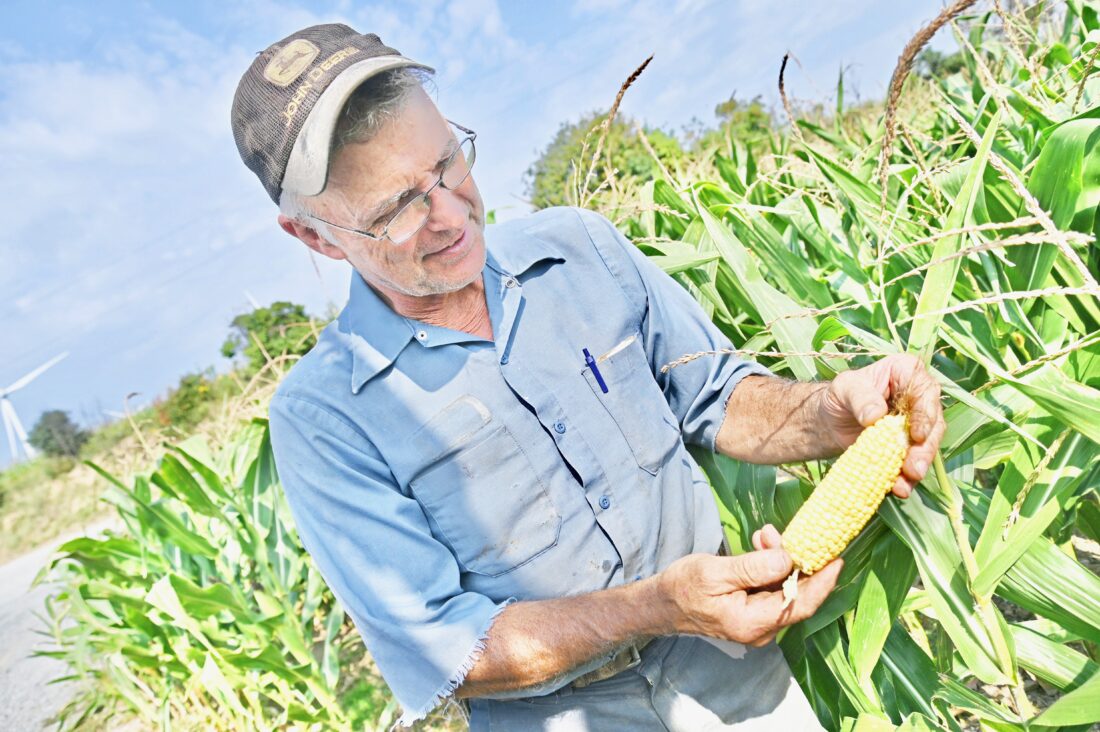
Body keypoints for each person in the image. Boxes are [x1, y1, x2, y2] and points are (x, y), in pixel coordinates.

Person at [231, 23, 945, 731]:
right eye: (396, 208)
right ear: (316, 236)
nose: (449, 214)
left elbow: (715, 395)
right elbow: (447, 648)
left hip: (731, 672)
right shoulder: (325, 418)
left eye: (448, 163)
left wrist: (828, 412)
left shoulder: (580, 248)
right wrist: (657, 607)